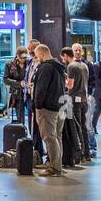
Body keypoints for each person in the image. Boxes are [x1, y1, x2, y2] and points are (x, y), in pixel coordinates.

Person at [31, 44, 67, 176]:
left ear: (41, 54)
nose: (35, 57)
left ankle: (54, 168)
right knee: (57, 137)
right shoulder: (59, 67)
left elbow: (41, 89)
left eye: (36, 54)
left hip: (47, 108)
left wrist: (37, 105)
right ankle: (57, 164)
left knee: (49, 137)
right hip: (60, 106)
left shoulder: (45, 67)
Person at [61, 48, 90, 164]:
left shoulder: (71, 66)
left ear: (66, 56)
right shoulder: (84, 65)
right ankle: (86, 153)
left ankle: (80, 154)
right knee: (83, 127)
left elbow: (70, 85)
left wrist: (63, 78)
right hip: (84, 99)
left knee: (76, 128)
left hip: (75, 100)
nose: (63, 60)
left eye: (63, 58)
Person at [4, 47, 28, 124]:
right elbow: (5, 79)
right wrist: (19, 83)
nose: (22, 60)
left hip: (29, 93)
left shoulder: (30, 63)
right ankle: (21, 133)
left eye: (24, 58)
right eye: (21, 58)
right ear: (17, 55)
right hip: (17, 93)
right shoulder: (9, 64)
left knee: (32, 116)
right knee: (20, 117)